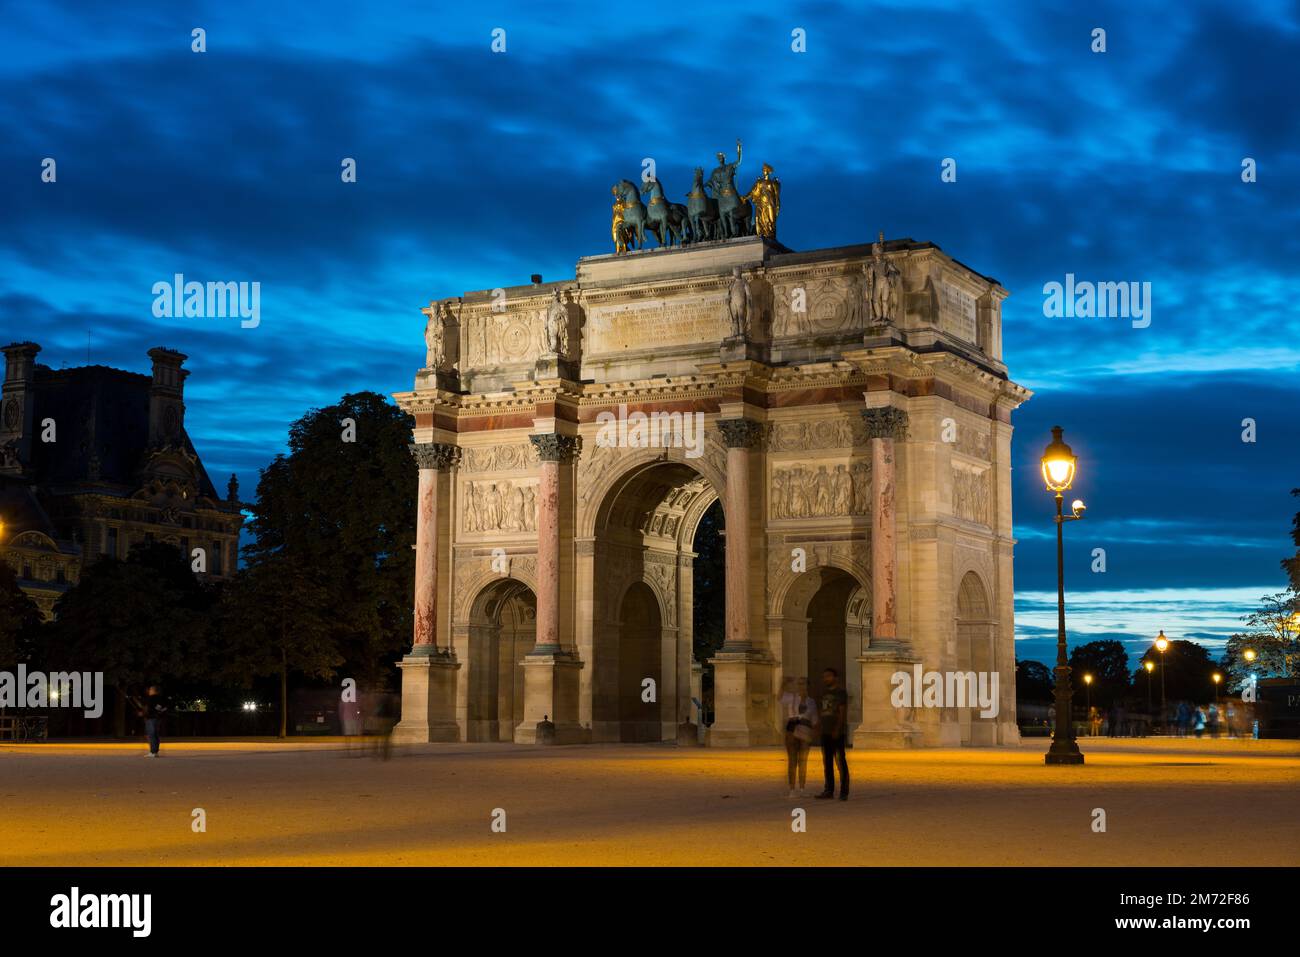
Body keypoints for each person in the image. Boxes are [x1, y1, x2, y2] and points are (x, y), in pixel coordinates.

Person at [779, 676, 817, 797]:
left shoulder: (811, 701)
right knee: (792, 760)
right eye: (800, 684)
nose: (802, 686)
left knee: (803, 760)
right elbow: (779, 697)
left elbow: (814, 719)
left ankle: (802, 788)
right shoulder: (791, 698)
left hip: (805, 729)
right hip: (792, 728)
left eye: (804, 684)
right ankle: (792, 789)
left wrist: (814, 732)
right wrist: (783, 684)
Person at [815, 668, 849, 801]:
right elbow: (822, 710)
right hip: (825, 731)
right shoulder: (824, 693)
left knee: (840, 761)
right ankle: (829, 789)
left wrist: (838, 728)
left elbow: (842, 711)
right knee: (827, 762)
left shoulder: (840, 692)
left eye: (828, 676)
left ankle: (844, 791)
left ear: (835, 677)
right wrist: (819, 725)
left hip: (836, 731)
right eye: (824, 676)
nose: (826, 679)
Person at [130, 686, 169, 758]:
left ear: (153, 690)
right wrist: (158, 712)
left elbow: (146, 708)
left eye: (150, 689)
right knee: (156, 735)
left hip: (150, 719)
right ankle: (155, 751)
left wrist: (142, 713)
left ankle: (152, 752)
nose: (149, 691)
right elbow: (164, 708)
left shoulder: (150, 698)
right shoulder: (161, 698)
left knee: (151, 735)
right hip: (158, 719)